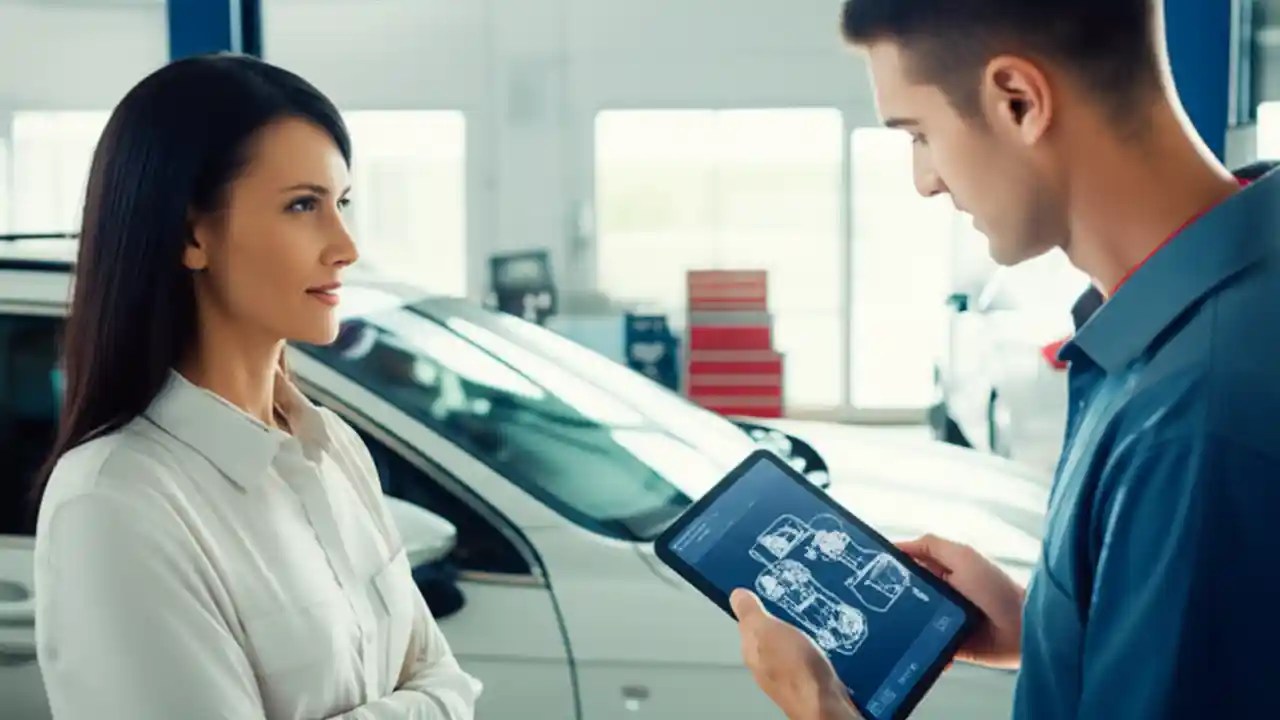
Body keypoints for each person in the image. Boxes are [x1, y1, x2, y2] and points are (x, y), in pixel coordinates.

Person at [732, 1, 1280, 718]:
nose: (924, 180)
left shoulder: (1192, 419)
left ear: (1018, 101)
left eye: (920, 134)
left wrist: (821, 706)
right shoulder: (1215, 308)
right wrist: (1053, 624)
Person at [31, 54, 480, 719]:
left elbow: (449, 683)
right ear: (191, 233)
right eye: (303, 205)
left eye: (341, 203)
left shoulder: (332, 450)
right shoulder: (113, 503)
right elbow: (436, 698)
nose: (345, 245)